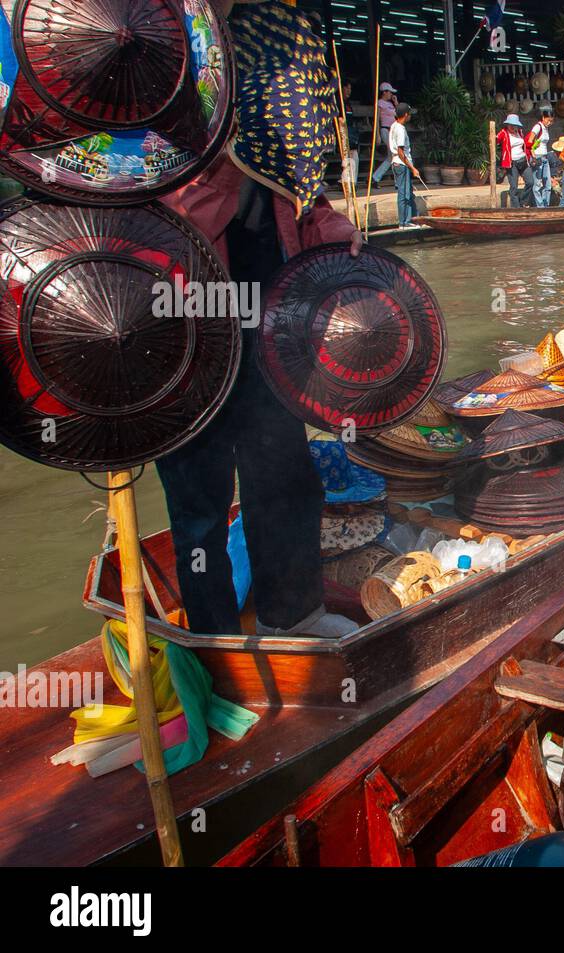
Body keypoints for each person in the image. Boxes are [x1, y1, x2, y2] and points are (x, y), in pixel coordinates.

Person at [156, 0, 364, 638]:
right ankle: (214, 639)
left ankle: (293, 615)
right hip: (189, 335)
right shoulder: (167, 98)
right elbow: (167, 228)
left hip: (269, 334)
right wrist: (224, 159)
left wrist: (336, 232)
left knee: (284, 477)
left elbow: (303, 201)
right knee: (199, 506)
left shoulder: (274, 80)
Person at [387, 103, 416, 228]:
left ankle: (411, 219)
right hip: (401, 164)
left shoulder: (394, 126)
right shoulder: (400, 129)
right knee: (404, 194)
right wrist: (412, 168)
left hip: (398, 164)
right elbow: (400, 152)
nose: (410, 116)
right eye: (409, 114)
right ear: (405, 115)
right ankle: (404, 222)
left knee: (407, 191)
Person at [496, 114, 531, 208]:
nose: (512, 127)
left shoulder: (520, 132)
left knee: (530, 182)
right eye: (510, 125)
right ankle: (516, 208)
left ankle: (523, 201)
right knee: (514, 187)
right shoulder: (504, 132)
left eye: (514, 125)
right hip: (512, 163)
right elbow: (495, 139)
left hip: (523, 160)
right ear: (507, 125)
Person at [370, 81, 398, 184]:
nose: (391, 94)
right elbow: (377, 119)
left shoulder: (391, 104)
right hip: (385, 130)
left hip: (393, 131)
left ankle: (375, 178)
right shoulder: (379, 103)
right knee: (394, 154)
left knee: (392, 156)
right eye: (390, 92)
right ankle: (397, 180)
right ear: (384, 92)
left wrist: (395, 102)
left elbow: (399, 114)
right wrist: (377, 134)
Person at [525, 108, 554, 207]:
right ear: (543, 118)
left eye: (551, 121)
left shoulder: (546, 128)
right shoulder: (538, 127)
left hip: (545, 158)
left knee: (548, 185)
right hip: (538, 158)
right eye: (548, 120)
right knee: (537, 185)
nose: (549, 122)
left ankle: (546, 205)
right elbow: (529, 141)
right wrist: (533, 155)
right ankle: (540, 206)